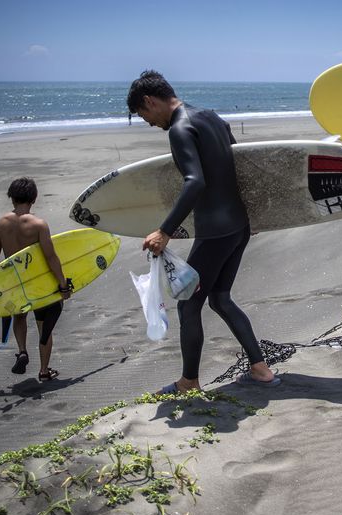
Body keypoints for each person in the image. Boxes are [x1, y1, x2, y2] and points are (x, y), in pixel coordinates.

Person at [126, 70, 279, 393]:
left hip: (216, 231)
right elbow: (240, 163)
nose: (150, 124)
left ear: (149, 101)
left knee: (188, 304)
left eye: (145, 116)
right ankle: (261, 369)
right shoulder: (210, 117)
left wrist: (164, 231)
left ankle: (189, 381)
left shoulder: (180, 129)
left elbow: (195, 181)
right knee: (220, 298)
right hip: (238, 225)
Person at [0, 177, 71, 380]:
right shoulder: (39, 225)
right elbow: (51, 257)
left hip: (16, 283)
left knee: (20, 316)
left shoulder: (0, 225)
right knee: (44, 327)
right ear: (34, 198)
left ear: (11, 198)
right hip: (40, 283)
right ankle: (43, 370)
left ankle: (22, 351)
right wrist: (62, 284)